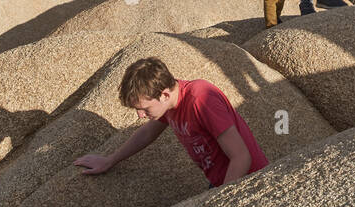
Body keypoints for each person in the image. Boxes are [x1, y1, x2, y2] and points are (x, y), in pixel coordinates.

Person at [73, 57, 269, 188]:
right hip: (220, 182)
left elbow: (241, 157)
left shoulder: (201, 99)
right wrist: (110, 160)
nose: (140, 115)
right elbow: (147, 134)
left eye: (144, 109)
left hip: (247, 181)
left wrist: (219, 202)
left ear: (164, 94)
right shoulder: (169, 105)